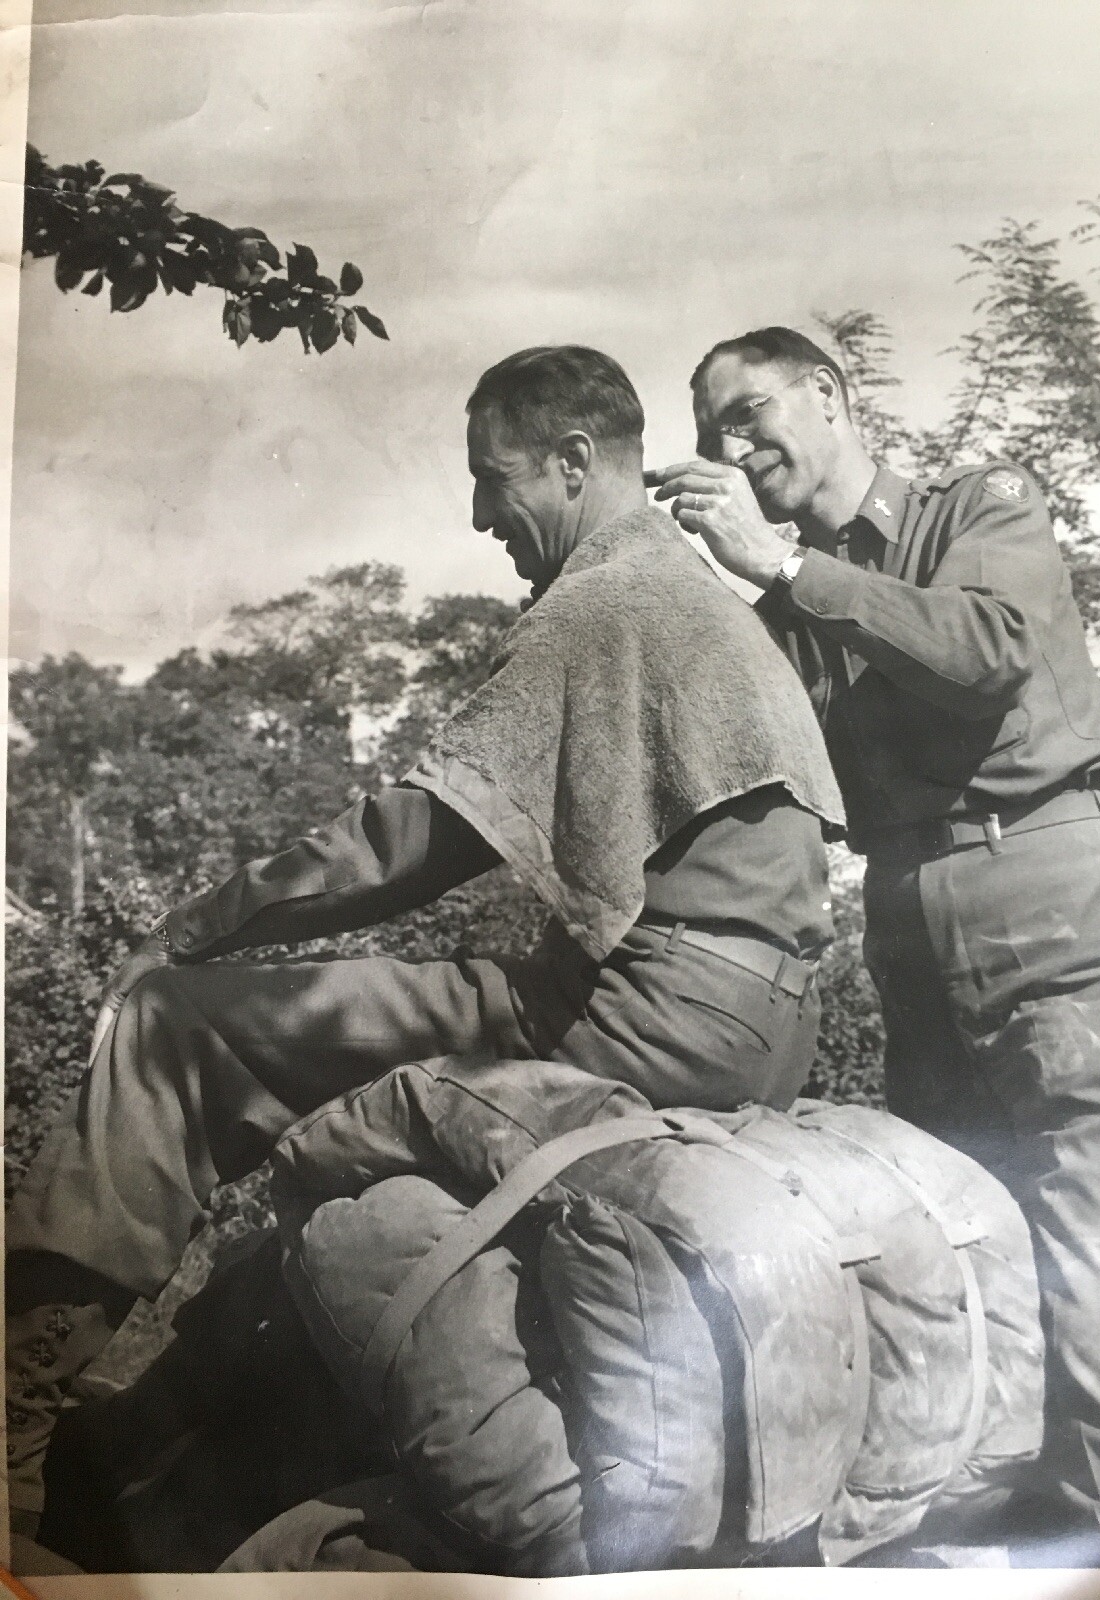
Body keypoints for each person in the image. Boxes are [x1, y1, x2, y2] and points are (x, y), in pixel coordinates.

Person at [5, 344, 845, 1536]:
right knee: (343, 1174)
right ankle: (134, 1465)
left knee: (172, 1032)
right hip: (758, 1026)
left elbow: (410, 842)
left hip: (646, 1018)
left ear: (573, 461)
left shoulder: (605, 598)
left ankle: (14, 1415)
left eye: (493, 478)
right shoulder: (700, 598)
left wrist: (194, 928)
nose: (479, 514)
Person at [647, 324, 1100, 1567]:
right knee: (977, 1276)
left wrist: (786, 571)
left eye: (748, 414)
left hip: (1058, 904)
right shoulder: (790, 603)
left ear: (829, 396)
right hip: (912, 928)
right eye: (710, 437)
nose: (733, 448)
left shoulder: (977, 508)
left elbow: (986, 650)